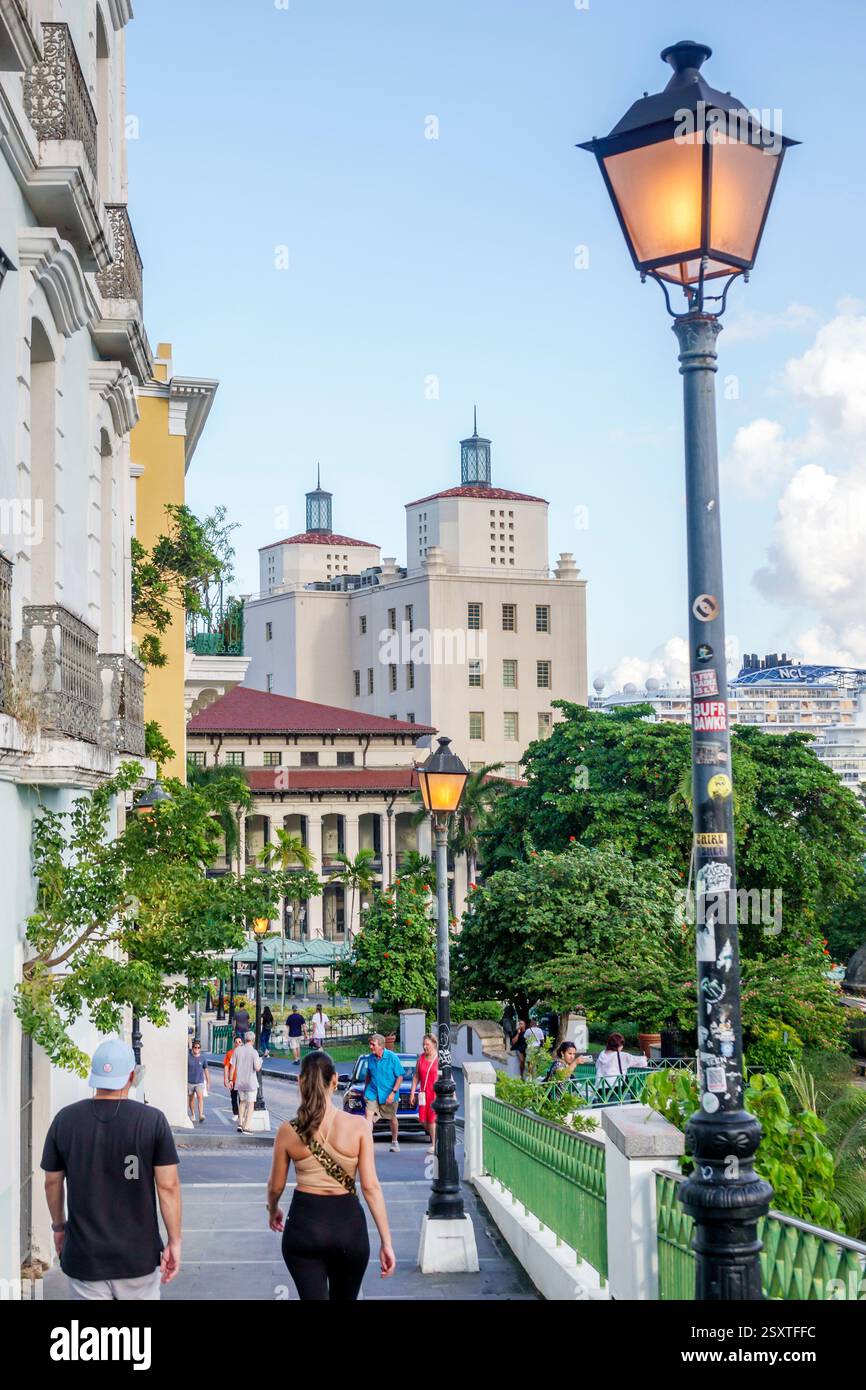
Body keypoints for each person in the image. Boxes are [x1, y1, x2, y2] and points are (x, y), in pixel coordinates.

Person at [40, 1037, 181, 1301]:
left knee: (96, 1342)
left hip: (85, 1257)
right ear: (131, 1076)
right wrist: (175, 1241)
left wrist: (59, 1227)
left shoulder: (65, 1120)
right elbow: (168, 1187)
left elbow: (52, 1181)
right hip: (138, 1258)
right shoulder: (153, 1121)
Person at [267, 1050, 396, 1301]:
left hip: (304, 1227)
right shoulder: (359, 1127)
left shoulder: (287, 1131)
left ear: (299, 1081)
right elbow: (371, 1188)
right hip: (348, 1229)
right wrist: (386, 1241)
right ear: (335, 1080)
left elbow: (276, 1186)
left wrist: (273, 1210)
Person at [364, 1033, 404, 1152]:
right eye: (370, 1044)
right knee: (369, 1115)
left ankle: (394, 1141)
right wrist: (366, 1090)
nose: (371, 1047)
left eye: (373, 1045)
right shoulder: (370, 1058)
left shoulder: (392, 1057)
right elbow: (369, 1074)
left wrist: (393, 1093)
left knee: (392, 1117)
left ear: (381, 1046)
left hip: (388, 1093)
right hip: (373, 1092)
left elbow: (400, 1076)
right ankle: (367, 1142)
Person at [409, 1034, 439, 1155]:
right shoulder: (420, 1058)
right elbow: (416, 1076)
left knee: (432, 1119)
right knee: (422, 1119)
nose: (425, 1047)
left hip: (435, 1093)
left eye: (427, 1044)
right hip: (423, 1093)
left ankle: (434, 1144)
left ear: (434, 1044)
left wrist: (452, 1093)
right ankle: (436, 1137)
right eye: (424, 1044)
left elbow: (448, 1076)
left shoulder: (439, 1059)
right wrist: (412, 1092)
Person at [234, 1031, 263, 1132]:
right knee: (251, 1104)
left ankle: (240, 1123)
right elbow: (257, 1068)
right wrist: (261, 1061)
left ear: (245, 1039)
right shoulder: (254, 1052)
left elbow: (233, 1065)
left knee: (242, 1102)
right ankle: (246, 1125)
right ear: (253, 1040)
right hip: (251, 1082)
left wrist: (230, 1079)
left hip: (240, 1081)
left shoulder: (238, 1050)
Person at [187, 1039, 209, 1123]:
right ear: (192, 1048)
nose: (197, 1049)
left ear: (200, 1049)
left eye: (198, 1047)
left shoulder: (203, 1058)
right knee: (191, 1099)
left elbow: (206, 1070)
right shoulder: (188, 1057)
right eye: (195, 1047)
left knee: (200, 1098)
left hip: (199, 1082)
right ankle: (193, 1114)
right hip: (190, 1082)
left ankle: (201, 1115)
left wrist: (208, 1082)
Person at [223, 1032, 243, 1118]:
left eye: (240, 1042)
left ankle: (241, 1115)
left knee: (242, 1098)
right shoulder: (229, 1053)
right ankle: (235, 1113)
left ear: (242, 1043)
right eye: (236, 1042)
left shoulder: (244, 1053)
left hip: (242, 1079)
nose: (238, 1043)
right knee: (234, 1097)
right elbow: (226, 1067)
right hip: (233, 1079)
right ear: (234, 1043)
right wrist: (226, 1079)